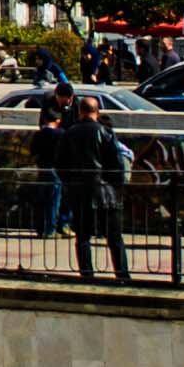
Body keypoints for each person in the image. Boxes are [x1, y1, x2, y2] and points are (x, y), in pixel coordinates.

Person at [62, 94, 136, 281]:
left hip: (80, 191)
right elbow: (116, 164)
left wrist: (70, 183)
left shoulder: (69, 133)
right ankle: (122, 274)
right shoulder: (106, 133)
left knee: (83, 237)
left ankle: (87, 274)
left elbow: (60, 164)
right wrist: (116, 186)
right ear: (97, 111)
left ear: (80, 111)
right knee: (114, 237)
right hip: (106, 192)